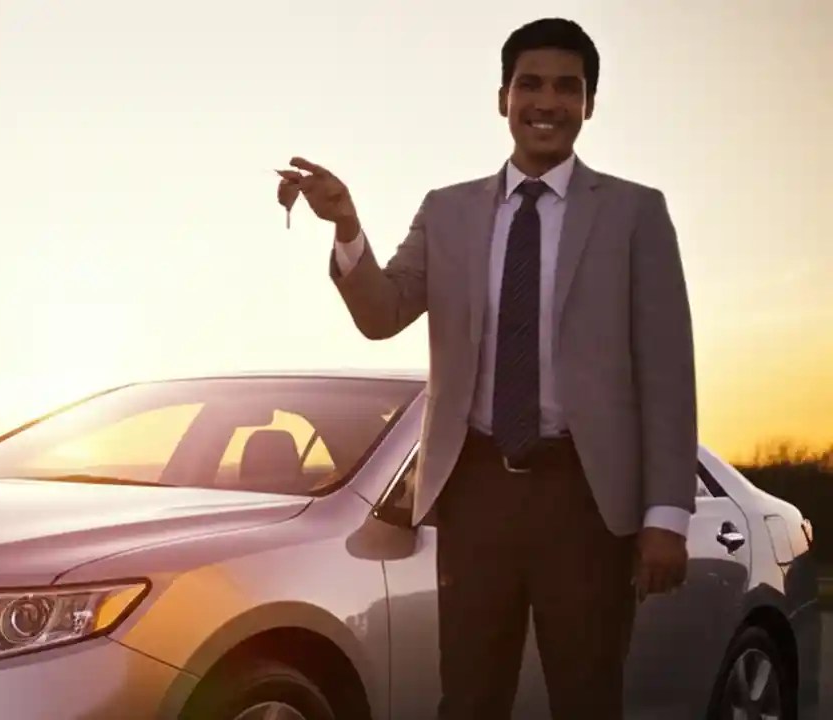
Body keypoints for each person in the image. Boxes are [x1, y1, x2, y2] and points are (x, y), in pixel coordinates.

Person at [276, 17, 696, 720]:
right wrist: (347, 226)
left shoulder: (635, 213)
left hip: (587, 499)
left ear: (589, 103)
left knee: (588, 699)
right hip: (475, 492)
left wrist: (666, 516)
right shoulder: (447, 211)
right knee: (470, 699)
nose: (547, 102)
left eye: (567, 87)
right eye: (530, 84)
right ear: (503, 97)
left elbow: (668, 374)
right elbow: (382, 314)